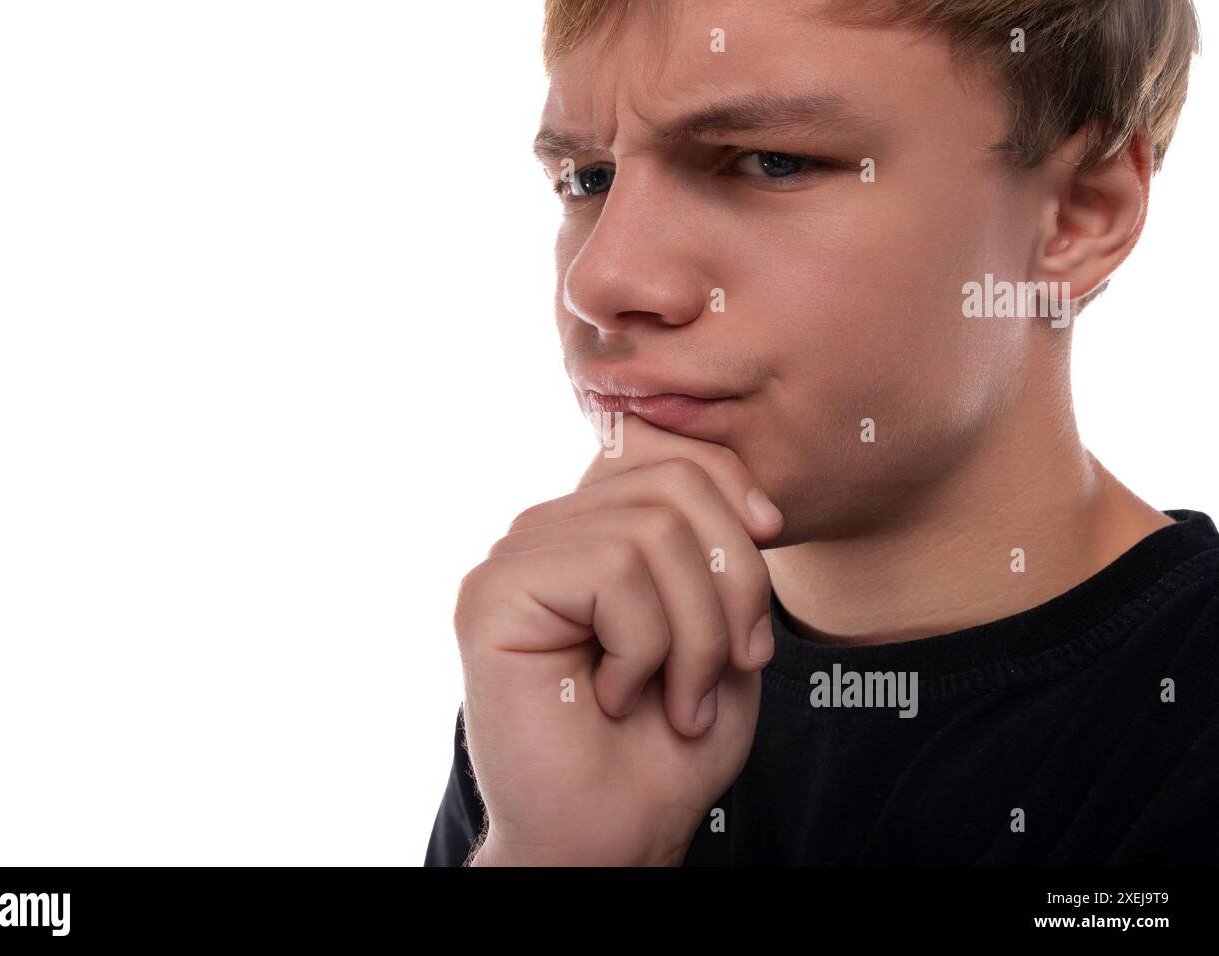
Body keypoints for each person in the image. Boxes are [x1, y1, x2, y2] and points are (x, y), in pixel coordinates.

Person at [425, 0, 1216, 866]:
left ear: (1078, 213)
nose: (601, 278)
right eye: (589, 179)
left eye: (770, 162)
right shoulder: (579, 658)